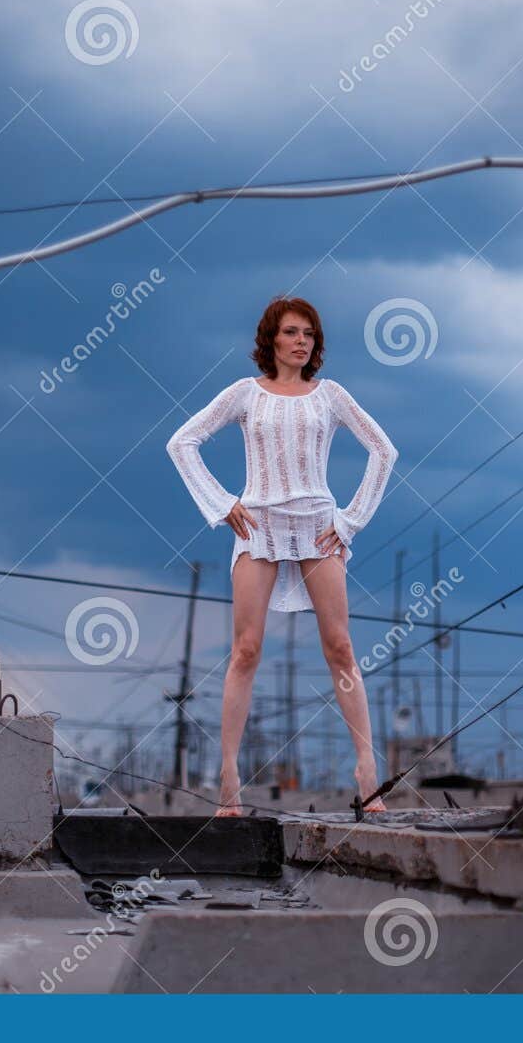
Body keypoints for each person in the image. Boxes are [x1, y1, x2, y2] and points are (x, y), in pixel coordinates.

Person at [166, 295, 398, 815]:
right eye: (292, 332)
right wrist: (223, 504)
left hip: (319, 529)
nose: (301, 342)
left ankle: (366, 769)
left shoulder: (330, 396)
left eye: (309, 334)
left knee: (339, 646)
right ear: (271, 338)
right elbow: (182, 442)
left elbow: (384, 451)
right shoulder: (245, 395)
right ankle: (228, 777)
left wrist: (350, 520)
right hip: (260, 526)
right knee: (246, 649)